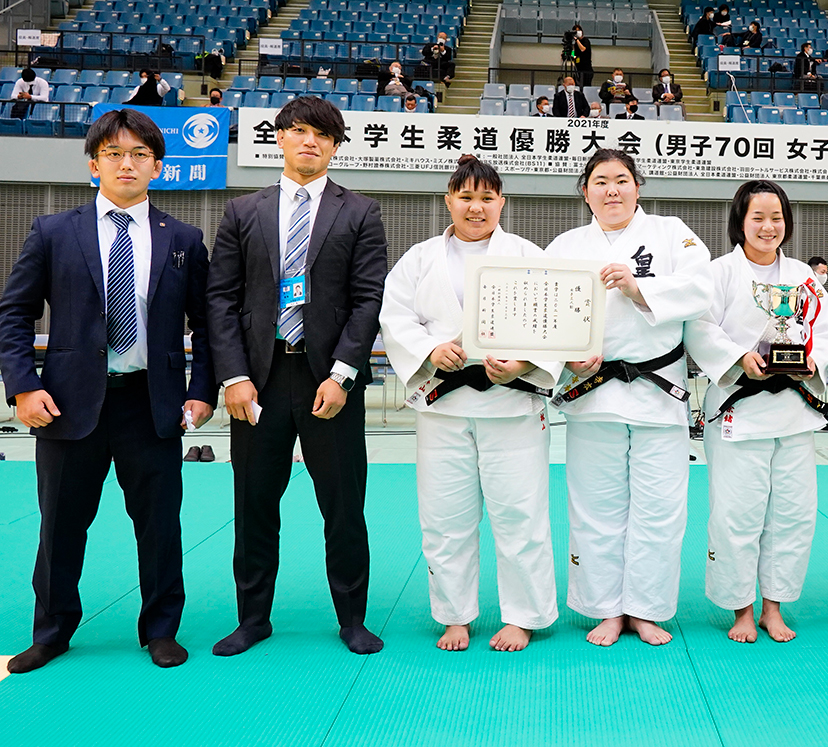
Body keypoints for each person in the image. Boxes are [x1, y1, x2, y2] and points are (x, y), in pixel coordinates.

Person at [0, 109, 216, 673]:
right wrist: (22, 387)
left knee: (160, 526)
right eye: (114, 154)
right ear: (94, 164)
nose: (127, 164)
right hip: (67, 405)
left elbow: (207, 325)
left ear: (158, 167)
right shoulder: (53, 232)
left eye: (140, 154)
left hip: (152, 403)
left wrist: (202, 390)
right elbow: (14, 314)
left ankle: (161, 629)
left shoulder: (184, 240)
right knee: (60, 526)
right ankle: (51, 631)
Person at [205, 96, 388, 657]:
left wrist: (343, 374)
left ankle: (352, 619)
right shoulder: (243, 211)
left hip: (328, 381)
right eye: (301, 131)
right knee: (254, 504)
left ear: (335, 147)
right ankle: (253, 619)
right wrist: (233, 376)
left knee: (343, 505)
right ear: (279, 136)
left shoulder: (361, 211)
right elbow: (220, 299)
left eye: (323, 135)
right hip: (259, 381)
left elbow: (368, 299)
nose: (311, 142)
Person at [379, 155, 561, 653]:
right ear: (448, 201)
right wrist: (429, 350)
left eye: (486, 198)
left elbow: (554, 321)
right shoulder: (420, 258)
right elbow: (395, 317)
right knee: (445, 517)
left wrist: (524, 363)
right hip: (443, 404)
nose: (476, 207)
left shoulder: (526, 254)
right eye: (466, 197)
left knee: (520, 514)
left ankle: (524, 616)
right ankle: (454, 615)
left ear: (502, 202)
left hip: (511, 405)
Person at [545, 150, 712, 646]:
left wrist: (640, 290)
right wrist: (568, 357)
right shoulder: (565, 246)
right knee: (595, 506)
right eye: (600, 181)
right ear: (585, 192)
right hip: (593, 394)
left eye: (621, 180)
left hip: (659, 392)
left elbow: (700, 289)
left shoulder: (672, 233)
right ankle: (606, 609)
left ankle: (645, 608)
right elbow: (546, 314)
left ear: (638, 187)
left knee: (660, 506)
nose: (612, 190)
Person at [684, 180, 828, 644]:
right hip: (739, 410)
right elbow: (699, 328)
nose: (769, 227)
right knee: (737, 515)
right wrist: (738, 357)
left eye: (777, 218)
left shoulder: (803, 276)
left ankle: (774, 607)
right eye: (758, 218)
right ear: (740, 222)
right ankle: (741, 609)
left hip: (793, 409)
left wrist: (814, 360)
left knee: (793, 513)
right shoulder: (718, 273)